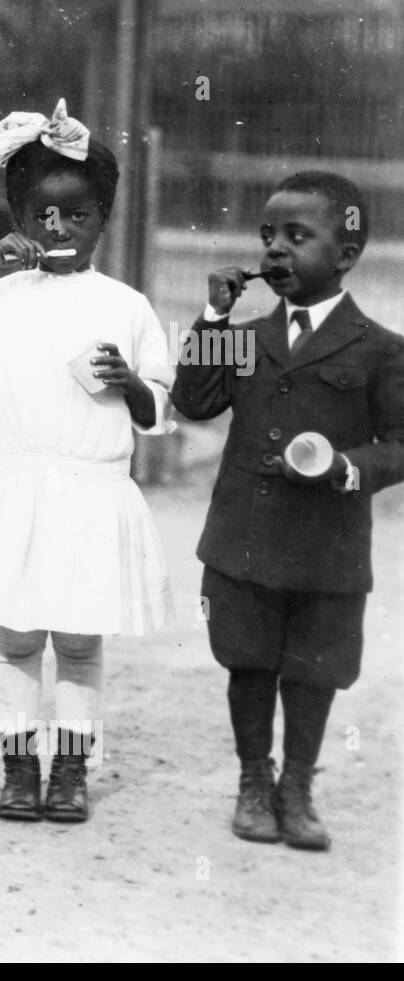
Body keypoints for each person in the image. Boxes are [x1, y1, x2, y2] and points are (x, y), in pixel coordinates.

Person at [0, 100, 175, 823]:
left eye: (78, 217)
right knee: (17, 633)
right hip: (15, 485)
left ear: (103, 219)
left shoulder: (126, 305)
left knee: (76, 634)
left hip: (90, 493)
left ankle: (69, 766)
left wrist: (127, 382)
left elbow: (159, 405)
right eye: (42, 216)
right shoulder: (3, 294)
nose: (59, 230)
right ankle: (16, 766)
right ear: (18, 216)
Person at [171, 171, 404, 851]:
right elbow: (193, 399)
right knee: (248, 660)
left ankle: (297, 784)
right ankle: (253, 778)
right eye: (268, 235)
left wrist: (345, 467)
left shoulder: (381, 348)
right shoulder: (244, 334)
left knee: (314, 668)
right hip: (245, 538)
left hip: (327, 546)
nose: (275, 251)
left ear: (346, 253)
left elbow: (400, 445)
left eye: (297, 236)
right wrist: (213, 315)